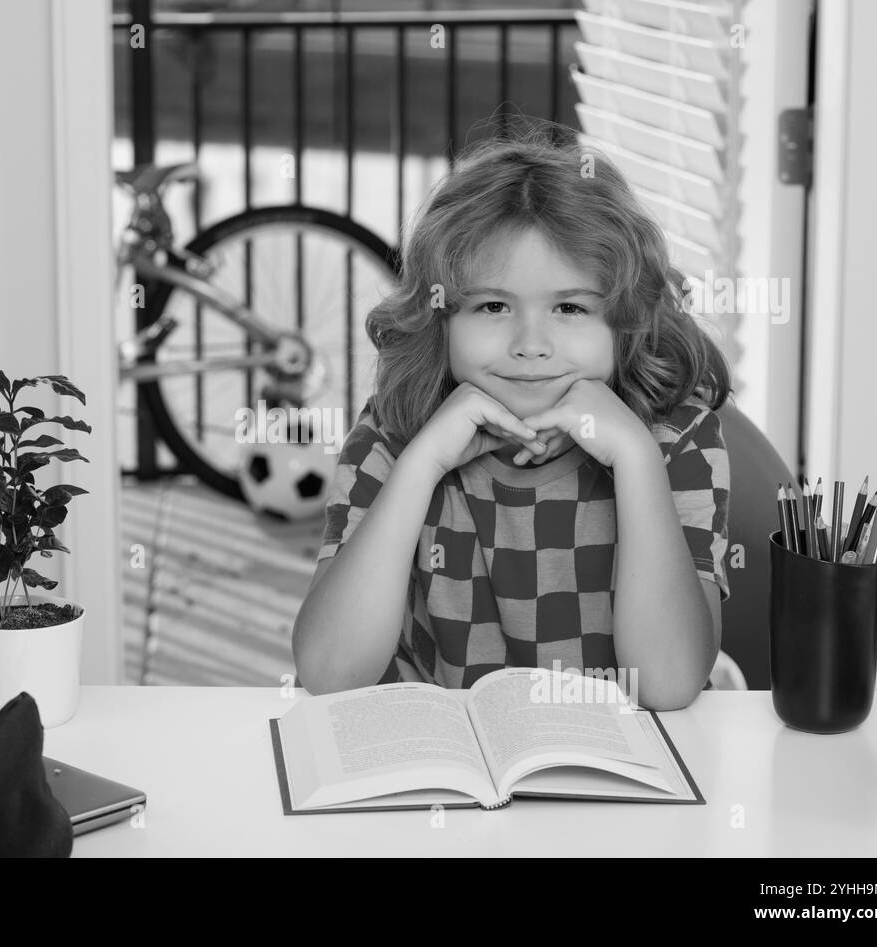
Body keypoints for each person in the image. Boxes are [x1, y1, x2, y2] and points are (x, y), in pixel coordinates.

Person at [292, 128, 732, 711]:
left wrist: (635, 460)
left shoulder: (675, 441)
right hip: (445, 781)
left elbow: (669, 682)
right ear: (440, 318)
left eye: (570, 307)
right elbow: (328, 671)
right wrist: (422, 462)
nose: (530, 345)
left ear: (626, 322)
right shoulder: (392, 437)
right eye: (492, 306)